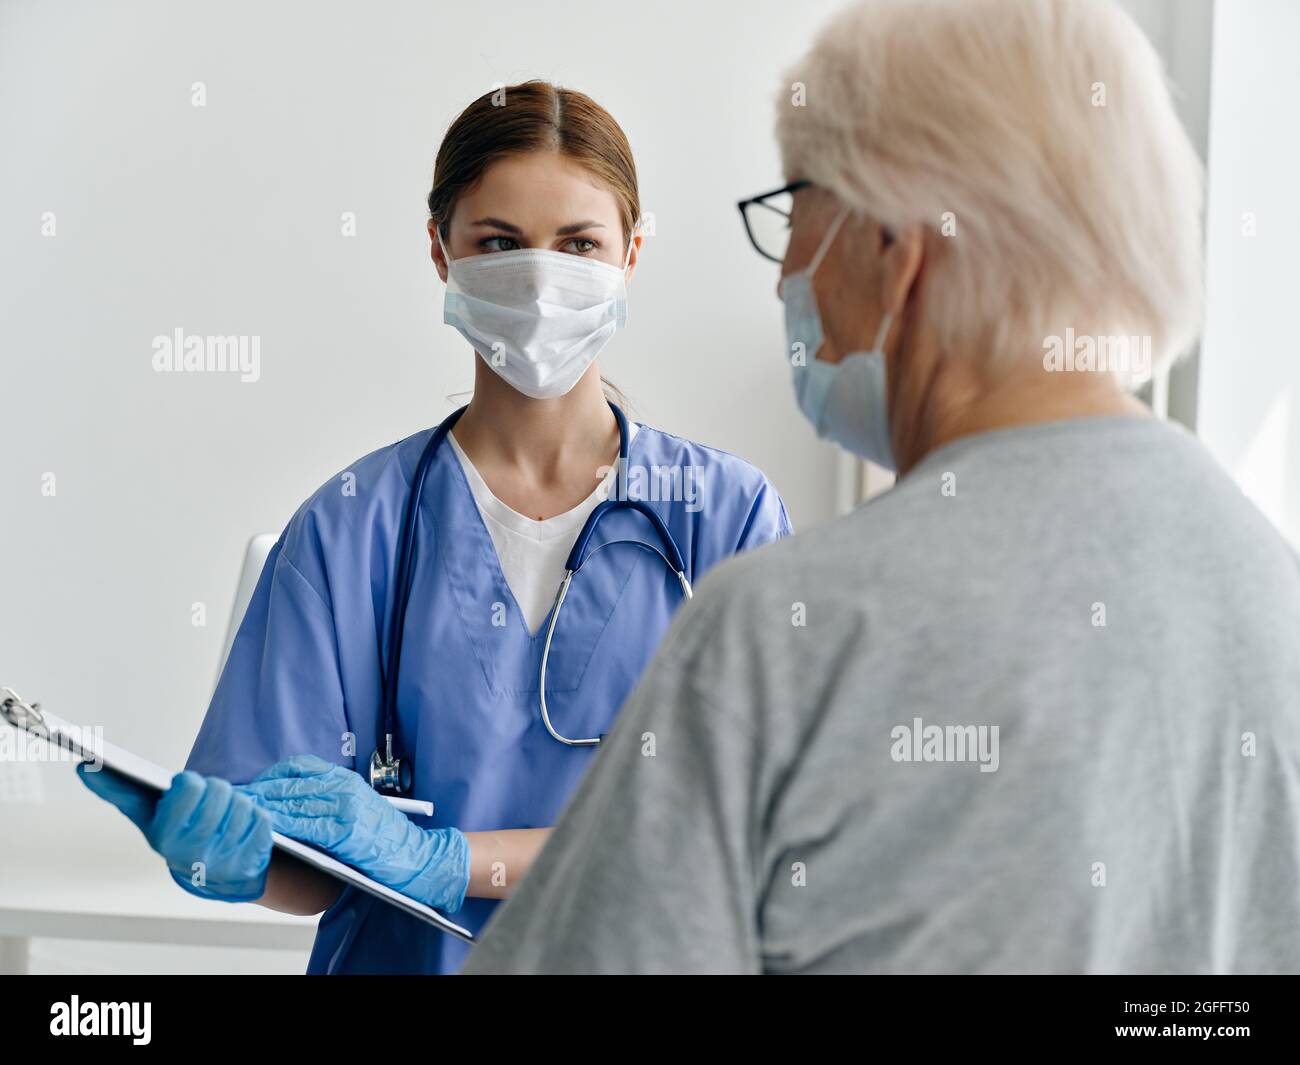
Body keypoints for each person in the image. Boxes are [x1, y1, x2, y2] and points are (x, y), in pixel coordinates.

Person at [461, 0, 1300, 974]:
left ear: (897, 250)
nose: (785, 275)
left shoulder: (789, 632)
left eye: (797, 214)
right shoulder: (1270, 587)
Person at [78, 80, 791, 974]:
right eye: (499, 242)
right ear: (439, 251)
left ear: (631, 254)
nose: (541, 280)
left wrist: (450, 861)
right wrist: (235, 854)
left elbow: (747, 826)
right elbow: (308, 866)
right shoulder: (348, 529)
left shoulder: (727, 517)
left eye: (579, 244)